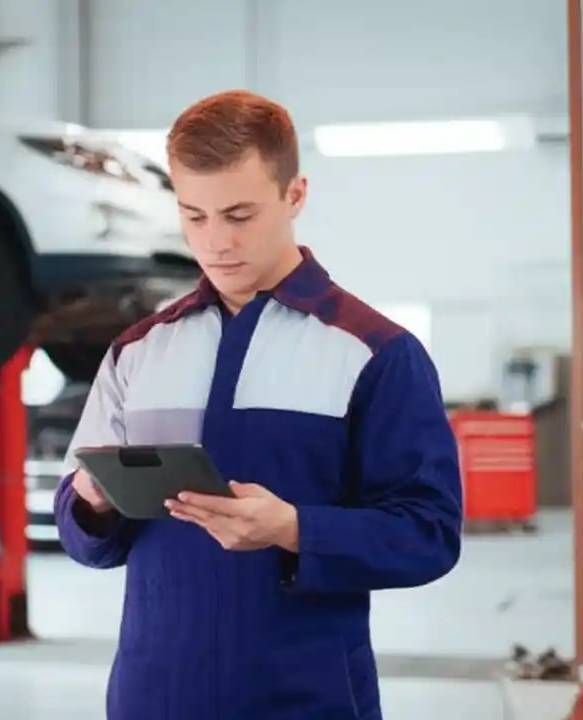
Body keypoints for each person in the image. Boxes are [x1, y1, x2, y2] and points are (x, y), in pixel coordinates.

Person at [53, 89, 464, 720]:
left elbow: (429, 535)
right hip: (152, 698)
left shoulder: (376, 353)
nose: (215, 242)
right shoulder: (137, 353)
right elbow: (86, 541)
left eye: (239, 215)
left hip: (306, 701)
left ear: (295, 194)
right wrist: (91, 501)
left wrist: (294, 528)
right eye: (194, 216)